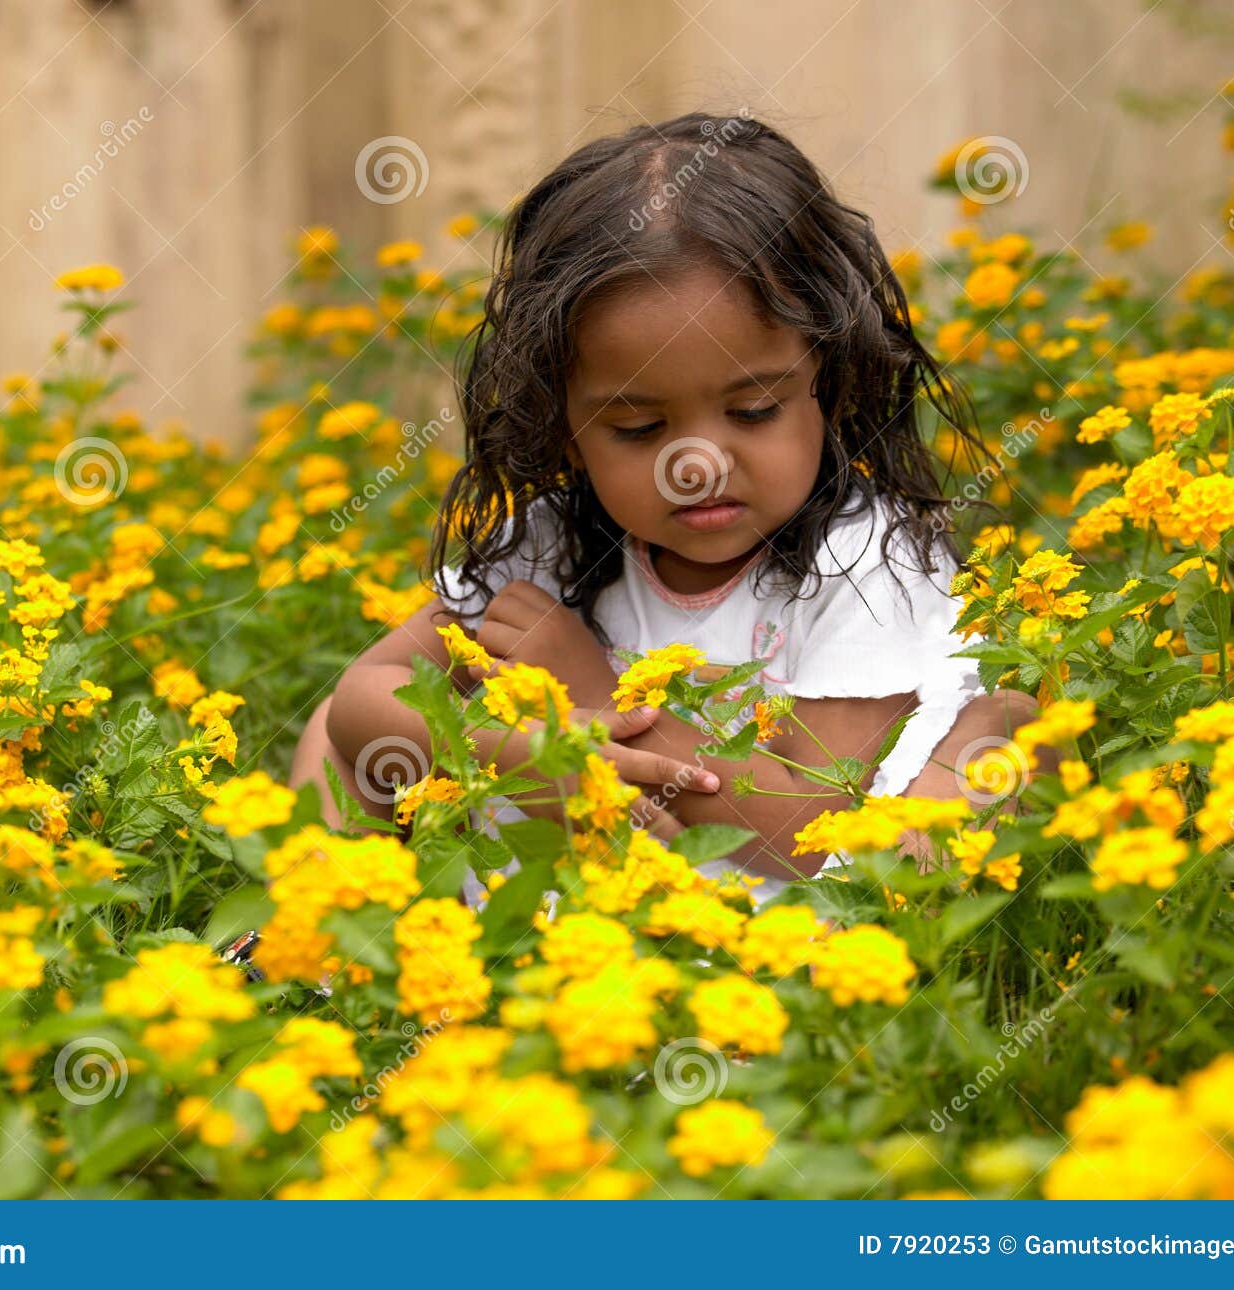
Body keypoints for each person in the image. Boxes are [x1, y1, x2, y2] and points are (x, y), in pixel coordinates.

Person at [291, 112, 1046, 902]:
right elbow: (361, 702)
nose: (697, 464)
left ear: (829, 379)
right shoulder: (548, 547)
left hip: (761, 954)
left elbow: (808, 823)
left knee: (1006, 732)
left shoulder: (863, 562)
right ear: (568, 430)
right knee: (351, 723)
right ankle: (319, 943)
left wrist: (598, 700)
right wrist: (507, 749)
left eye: (753, 411)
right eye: (639, 427)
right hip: (549, 948)